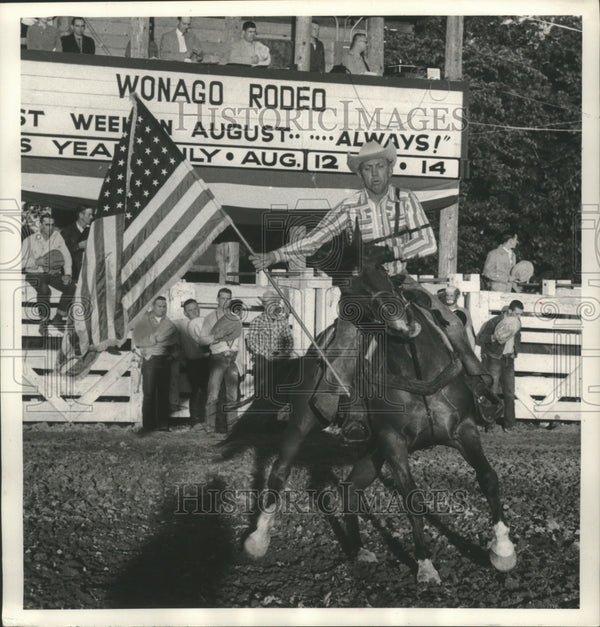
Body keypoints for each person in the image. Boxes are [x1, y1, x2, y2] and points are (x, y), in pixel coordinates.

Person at [250, 140, 501, 441]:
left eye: (379, 166)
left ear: (390, 168)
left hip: (399, 281)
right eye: (367, 169)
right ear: (360, 174)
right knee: (346, 340)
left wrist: (391, 249)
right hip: (364, 291)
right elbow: (316, 239)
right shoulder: (349, 207)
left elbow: (429, 243)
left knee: (453, 322)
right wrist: (275, 255)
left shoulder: (406, 201)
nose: (374, 174)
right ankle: (353, 412)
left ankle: (479, 387)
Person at [197, 288, 242, 436]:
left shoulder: (235, 317)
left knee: (232, 396)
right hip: (218, 358)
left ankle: (232, 429)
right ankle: (210, 428)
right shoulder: (210, 318)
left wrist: (241, 363)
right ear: (217, 299)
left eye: (228, 298)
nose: (225, 301)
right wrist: (216, 337)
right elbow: (202, 340)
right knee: (213, 395)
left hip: (233, 359)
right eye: (222, 298)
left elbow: (240, 341)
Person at [22, 211, 74, 334]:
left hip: (52, 274)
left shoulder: (57, 237)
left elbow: (66, 256)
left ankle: (58, 318)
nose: (50, 228)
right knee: (45, 290)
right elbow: (20, 262)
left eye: (52, 225)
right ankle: (43, 322)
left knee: (71, 287)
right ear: (40, 224)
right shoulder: (29, 240)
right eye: (46, 224)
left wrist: (67, 273)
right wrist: (35, 262)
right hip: (35, 274)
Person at [132, 296, 179, 433]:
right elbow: (139, 341)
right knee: (149, 393)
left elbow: (175, 345)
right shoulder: (144, 321)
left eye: (164, 306)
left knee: (164, 393)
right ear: (153, 306)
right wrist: (155, 341)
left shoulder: (170, 325)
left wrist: (170, 357)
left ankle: (163, 425)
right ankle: (148, 426)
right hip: (150, 359)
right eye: (159, 306)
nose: (162, 309)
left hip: (164, 359)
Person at [476, 300, 524, 431]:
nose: (519, 317)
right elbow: (480, 339)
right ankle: (489, 424)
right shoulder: (494, 321)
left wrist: (515, 351)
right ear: (509, 311)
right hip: (495, 359)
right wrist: (493, 337)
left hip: (508, 359)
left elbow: (518, 337)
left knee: (509, 393)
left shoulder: (517, 322)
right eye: (517, 313)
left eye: (520, 314)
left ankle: (510, 424)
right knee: (492, 391)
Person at [246, 290, 294, 409]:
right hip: (263, 357)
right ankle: (260, 404)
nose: (269, 306)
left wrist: (284, 353)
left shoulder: (282, 321)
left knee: (291, 374)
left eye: (271, 303)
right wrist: (266, 353)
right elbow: (252, 342)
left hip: (280, 357)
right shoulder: (257, 321)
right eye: (267, 304)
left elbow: (289, 340)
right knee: (262, 373)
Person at [177, 298, 211, 426]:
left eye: (196, 308)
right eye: (190, 310)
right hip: (195, 362)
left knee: (204, 390)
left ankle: (201, 419)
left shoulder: (203, 322)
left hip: (204, 361)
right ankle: (196, 419)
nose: (194, 312)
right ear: (185, 313)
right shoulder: (184, 326)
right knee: (197, 390)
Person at [59, 206, 93, 283]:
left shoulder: (92, 231)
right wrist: (78, 246)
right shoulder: (67, 231)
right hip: (73, 274)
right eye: (89, 214)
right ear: (81, 215)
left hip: (88, 274)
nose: (92, 217)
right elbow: (61, 253)